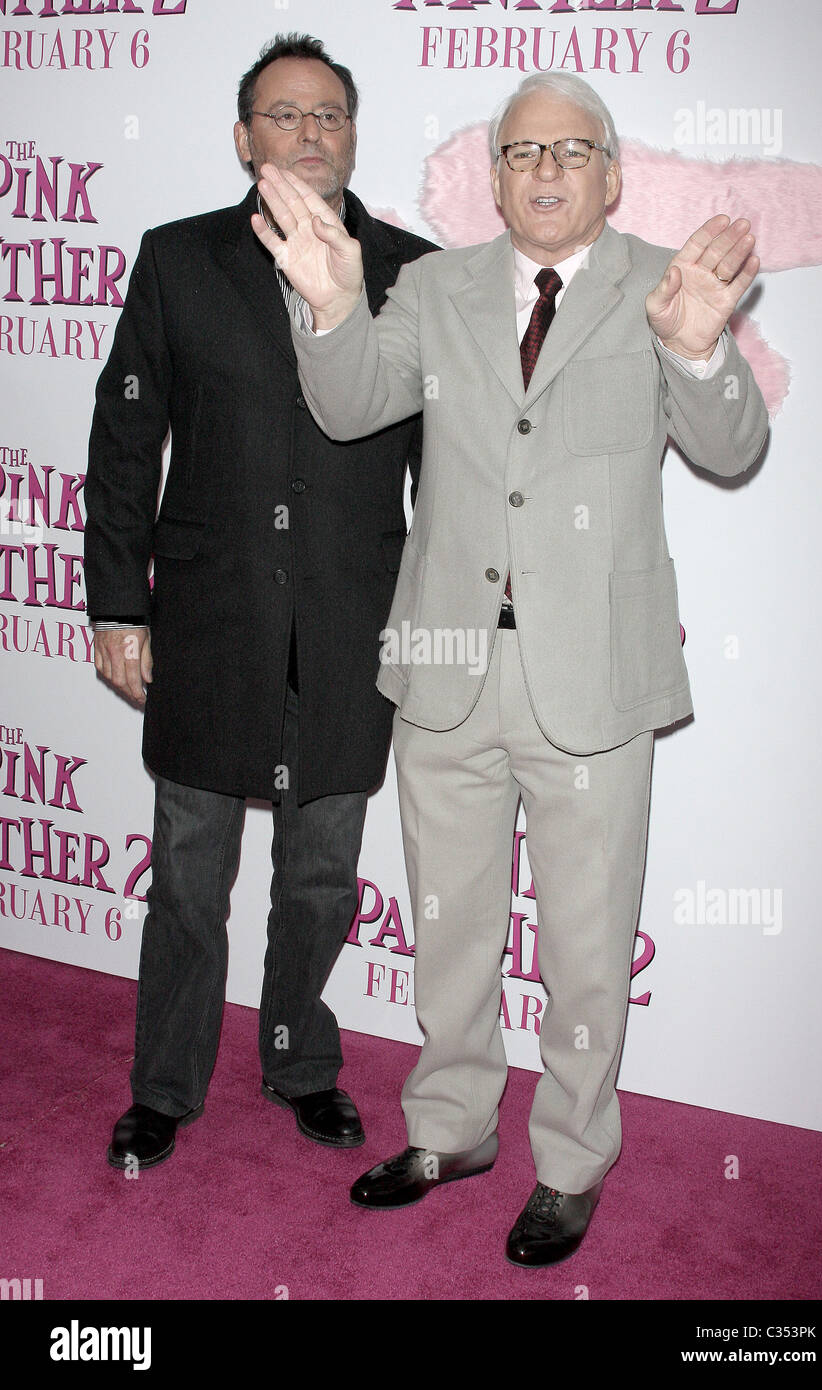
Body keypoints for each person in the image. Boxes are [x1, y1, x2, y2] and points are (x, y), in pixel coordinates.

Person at [252, 71, 769, 1267]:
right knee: (450, 928)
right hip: (444, 669)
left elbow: (732, 447)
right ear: (491, 178)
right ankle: (451, 1130)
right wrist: (328, 311)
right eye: (521, 150)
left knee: (587, 947)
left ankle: (573, 1162)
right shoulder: (432, 285)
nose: (544, 168)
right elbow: (351, 408)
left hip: (592, 677)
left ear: (610, 173)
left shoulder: (659, 286)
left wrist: (695, 356)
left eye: (570, 150)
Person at [83, 32, 436, 1171]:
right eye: (282, 116)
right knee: (189, 873)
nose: (307, 133)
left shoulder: (416, 275)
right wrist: (115, 606)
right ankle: (165, 1086)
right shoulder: (177, 260)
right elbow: (127, 440)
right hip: (210, 621)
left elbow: (452, 465)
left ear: (351, 135)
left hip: (349, 625)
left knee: (322, 875)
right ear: (243, 140)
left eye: (327, 115)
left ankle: (298, 1061)